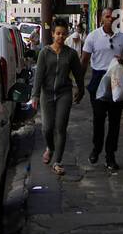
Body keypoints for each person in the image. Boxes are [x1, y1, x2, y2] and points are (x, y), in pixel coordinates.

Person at [82, 8, 123, 170]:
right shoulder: (93, 37)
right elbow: (84, 60)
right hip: (98, 80)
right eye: (107, 16)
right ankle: (96, 148)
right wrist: (79, 83)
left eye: (113, 17)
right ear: (101, 19)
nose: (111, 19)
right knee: (98, 118)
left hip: (115, 80)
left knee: (115, 120)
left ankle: (110, 155)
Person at [31, 18, 84, 175]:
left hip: (64, 94)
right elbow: (38, 76)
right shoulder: (44, 53)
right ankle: (50, 147)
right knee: (47, 128)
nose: (60, 36)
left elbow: (78, 74)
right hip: (46, 94)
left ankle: (58, 161)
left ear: (67, 35)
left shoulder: (71, 54)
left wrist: (81, 90)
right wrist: (35, 96)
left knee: (60, 128)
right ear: (53, 34)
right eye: (58, 33)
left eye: (63, 33)